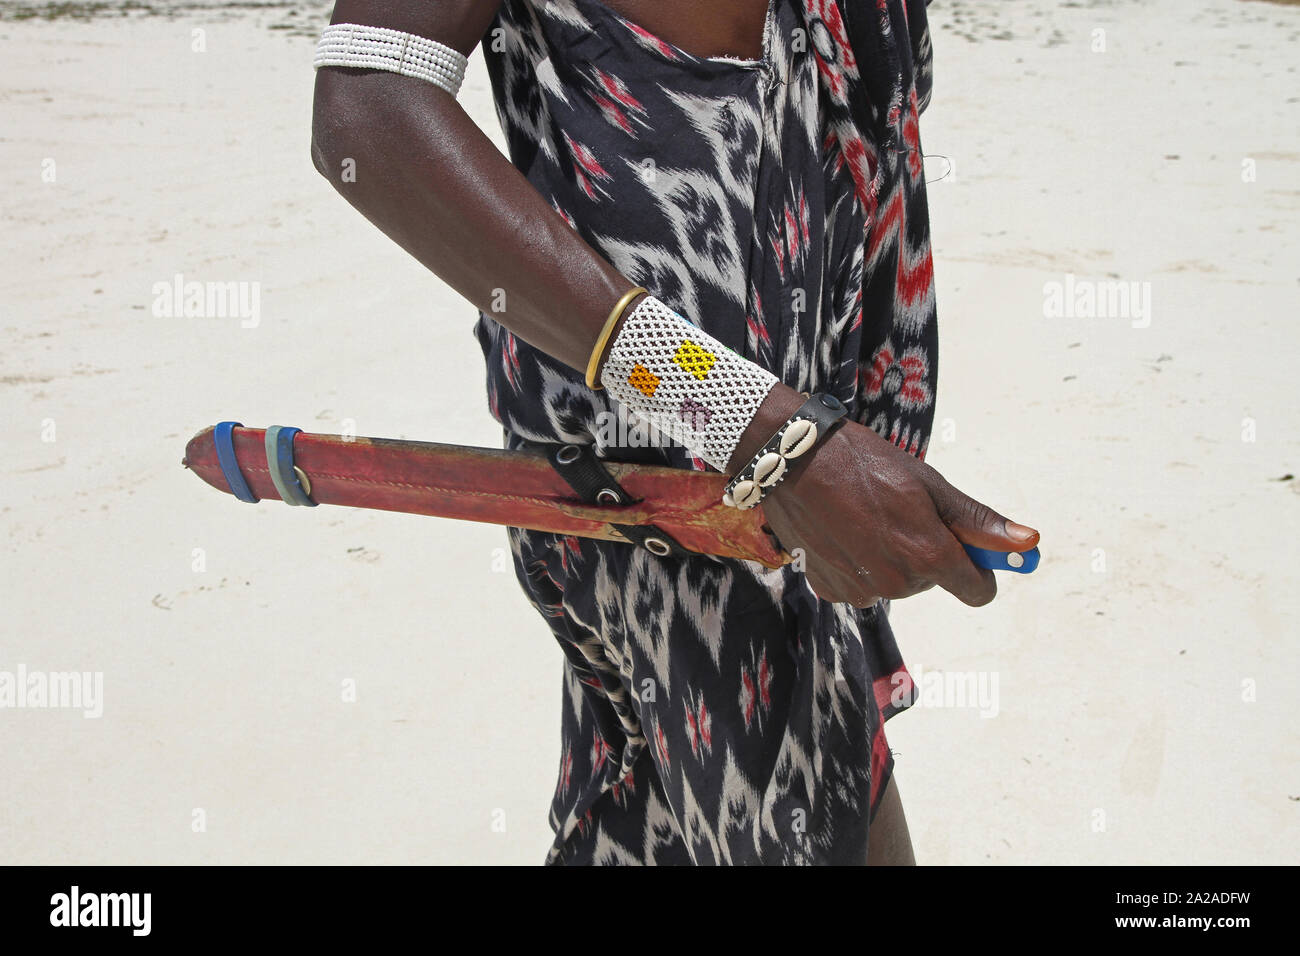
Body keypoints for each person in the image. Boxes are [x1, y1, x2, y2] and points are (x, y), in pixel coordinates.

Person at [311, 0, 1039, 865]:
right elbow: (366, 110)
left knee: (635, 829)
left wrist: (809, 439)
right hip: (678, 508)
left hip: (800, 485)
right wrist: (750, 425)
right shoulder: (754, 453)